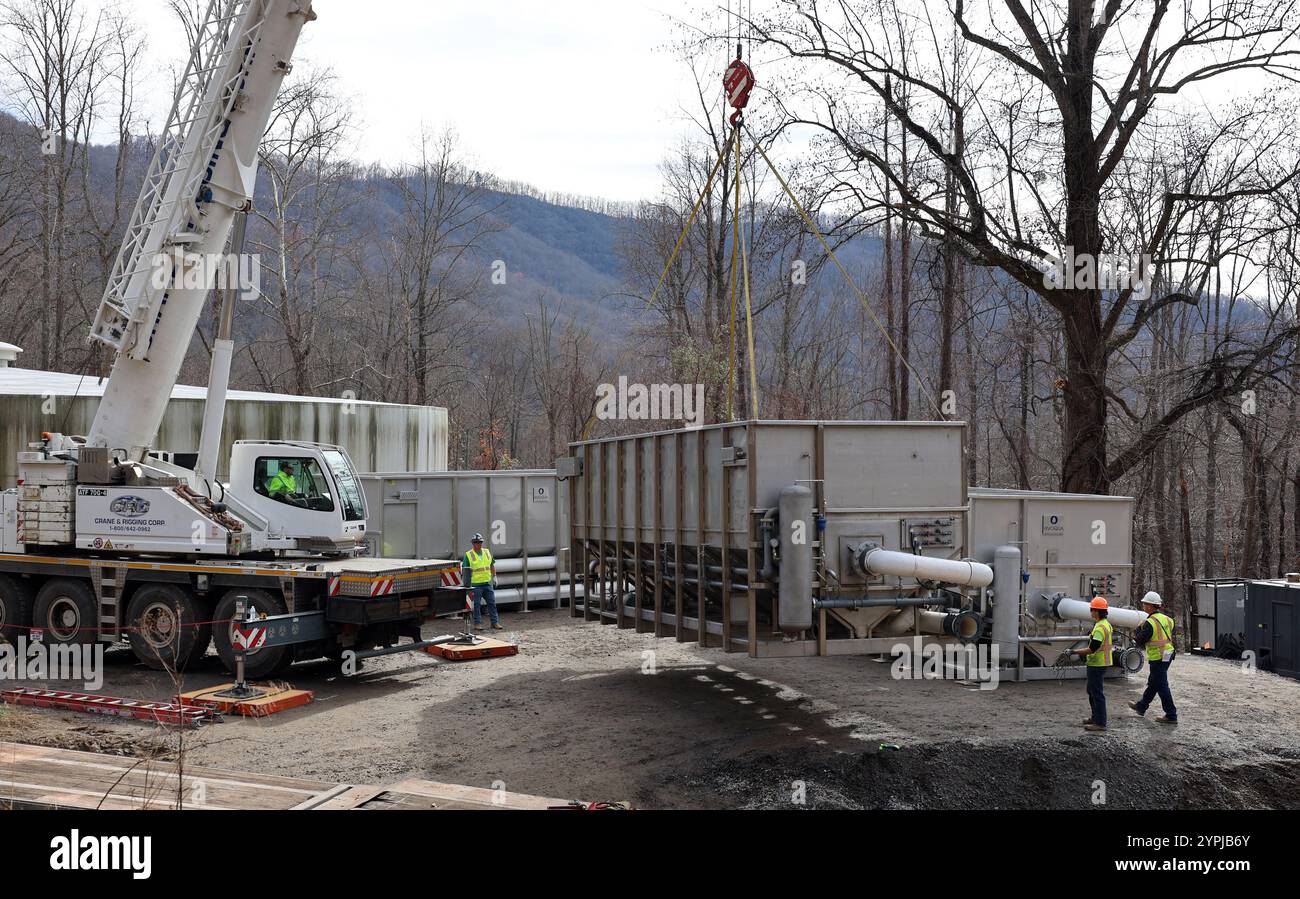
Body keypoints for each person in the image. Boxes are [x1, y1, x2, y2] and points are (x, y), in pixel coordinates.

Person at [1129, 591, 1178, 724]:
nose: (1143, 606)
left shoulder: (1150, 622)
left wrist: (1137, 631)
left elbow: (1140, 640)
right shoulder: (1168, 619)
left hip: (1158, 657)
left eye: (1145, 604)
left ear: (1150, 606)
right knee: (1154, 682)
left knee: (1161, 685)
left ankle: (1171, 715)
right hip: (1168, 654)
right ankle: (1141, 706)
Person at [1071, 597, 1113, 732]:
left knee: (1096, 693)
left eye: (1092, 609)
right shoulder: (1105, 624)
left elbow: (1092, 649)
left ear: (1097, 611)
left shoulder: (1100, 628)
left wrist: (1074, 652)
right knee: (1092, 691)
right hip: (1099, 662)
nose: (1090, 611)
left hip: (1097, 663)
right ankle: (1096, 717)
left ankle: (1100, 722)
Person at [462, 532, 501, 632]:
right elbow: (465, 570)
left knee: (492, 603)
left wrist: (494, 576)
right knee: (477, 605)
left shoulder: (487, 552)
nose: (477, 544)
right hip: (475, 585)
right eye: (475, 542)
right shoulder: (468, 555)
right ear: (472, 543)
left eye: (479, 542)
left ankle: (494, 622)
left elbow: (492, 565)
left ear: (481, 543)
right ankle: (477, 623)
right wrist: (467, 584)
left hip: (487, 583)